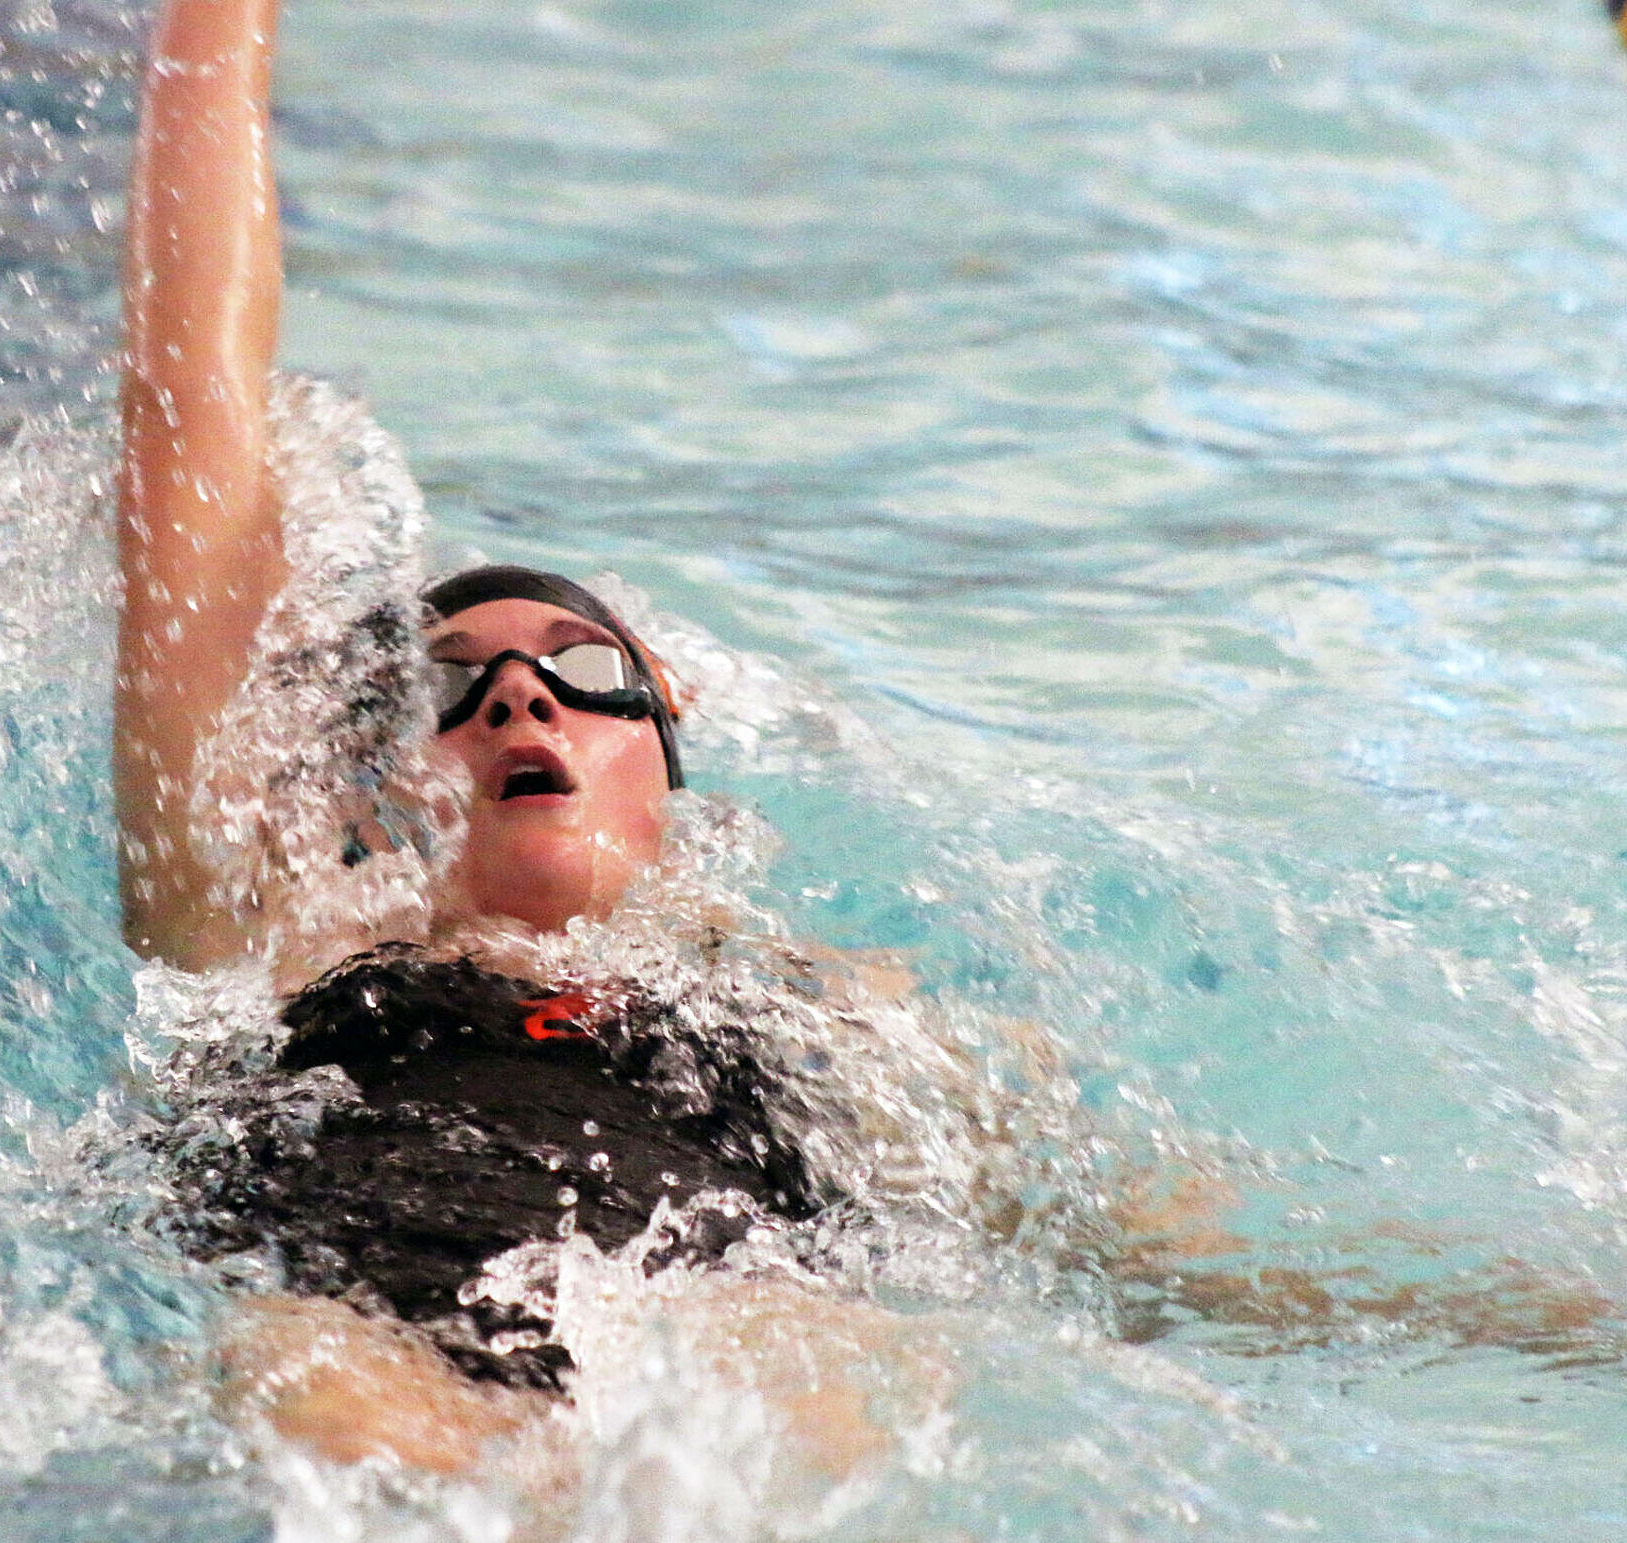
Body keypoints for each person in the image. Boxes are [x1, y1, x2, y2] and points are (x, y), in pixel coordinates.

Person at [113, 0, 1620, 1478]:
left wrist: (1524, 1317)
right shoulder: (277, 937)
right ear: (379, 785)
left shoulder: (835, 1014)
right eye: (454, 689)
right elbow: (191, 430)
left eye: (581, 670)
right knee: (298, 1377)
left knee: (800, 1370)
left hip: (730, 1323)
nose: (522, 702)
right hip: (368, 1325)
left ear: (668, 750)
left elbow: (1121, 1258)